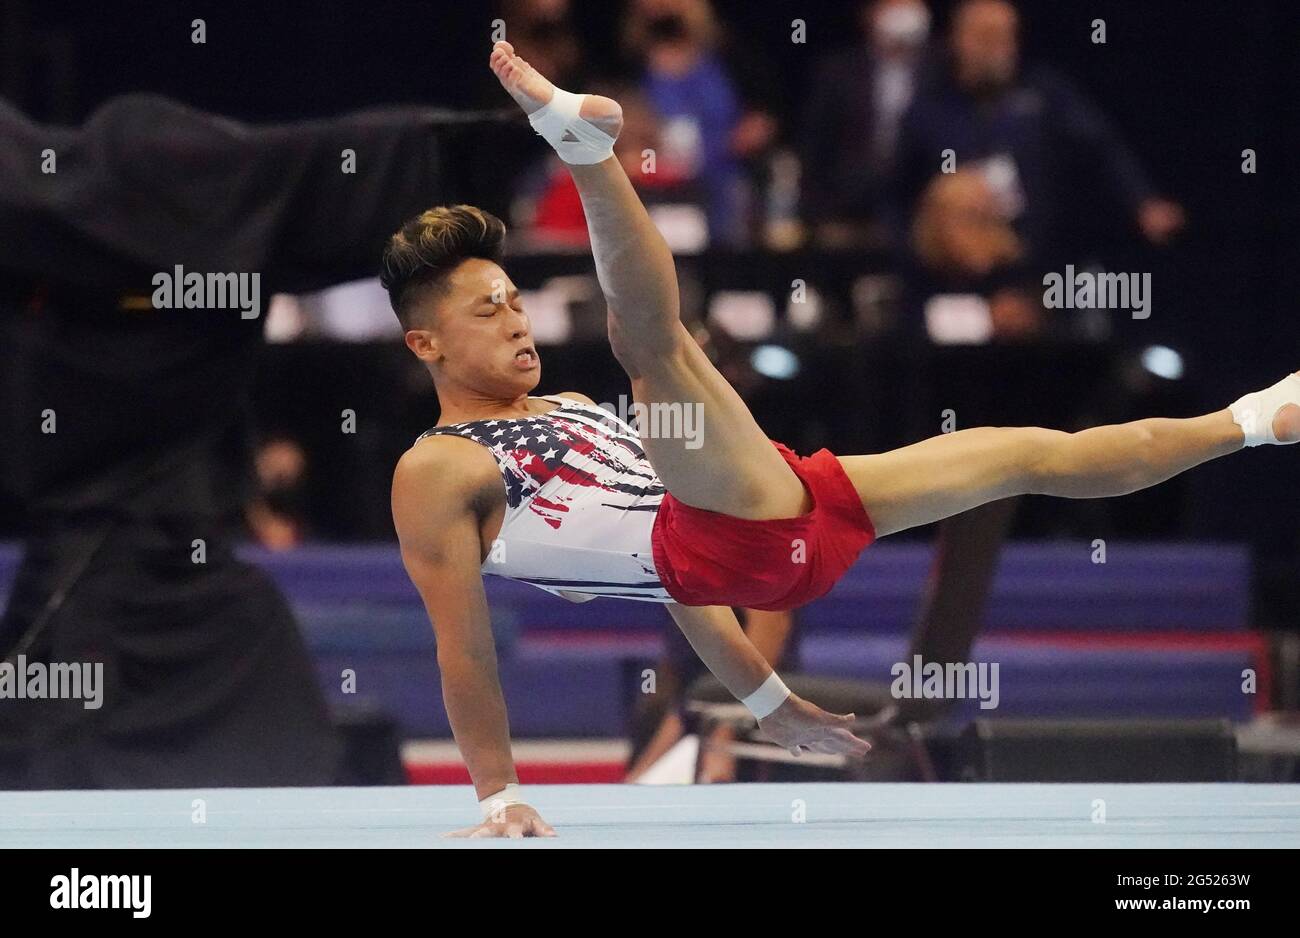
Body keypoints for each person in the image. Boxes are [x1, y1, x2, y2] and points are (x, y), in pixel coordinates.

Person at [383, 40, 1299, 838]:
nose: (517, 322)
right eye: (486, 311)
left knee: (1025, 451)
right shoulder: (438, 469)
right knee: (652, 345)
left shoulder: (573, 405)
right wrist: (500, 793)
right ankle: (588, 155)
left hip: (779, 511)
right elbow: (464, 650)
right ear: (425, 343)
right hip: (728, 534)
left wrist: (767, 704)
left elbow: (681, 592)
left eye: (515, 299)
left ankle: (1250, 421)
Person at [0, 92, 475, 788]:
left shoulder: (208, 275)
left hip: (196, 610)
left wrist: (533, 136)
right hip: (82, 613)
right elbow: (336, 176)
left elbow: (335, 182)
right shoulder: (77, 281)